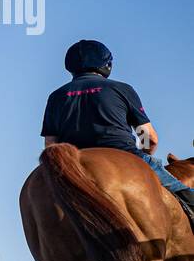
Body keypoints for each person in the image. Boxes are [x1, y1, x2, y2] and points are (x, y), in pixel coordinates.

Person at [41, 39, 194, 225]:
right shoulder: (121, 89)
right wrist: (142, 158)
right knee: (183, 193)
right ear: (107, 65)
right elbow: (149, 137)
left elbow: (50, 145)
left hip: (74, 163)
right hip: (124, 153)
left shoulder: (55, 97)